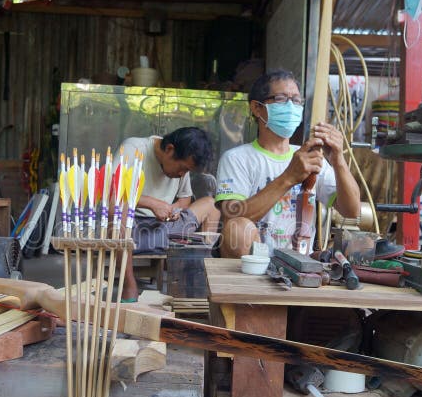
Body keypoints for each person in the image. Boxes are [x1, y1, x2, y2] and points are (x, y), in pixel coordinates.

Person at [216, 69, 360, 257]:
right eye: (281, 99)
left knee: (363, 244)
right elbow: (233, 216)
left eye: (296, 100)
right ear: (257, 108)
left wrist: (338, 159)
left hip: (299, 261)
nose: (291, 106)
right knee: (238, 228)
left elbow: (352, 210)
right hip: (253, 263)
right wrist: (289, 177)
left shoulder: (310, 157)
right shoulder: (237, 158)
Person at [119, 127, 221, 301]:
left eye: (187, 171)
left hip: (166, 230)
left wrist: (174, 209)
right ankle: (129, 284)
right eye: (182, 168)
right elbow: (114, 196)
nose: (182, 174)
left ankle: (203, 272)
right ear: (169, 149)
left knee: (211, 204)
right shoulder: (134, 148)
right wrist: (152, 204)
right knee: (119, 214)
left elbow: (185, 198)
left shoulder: (182, 165)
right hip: (133, 231)